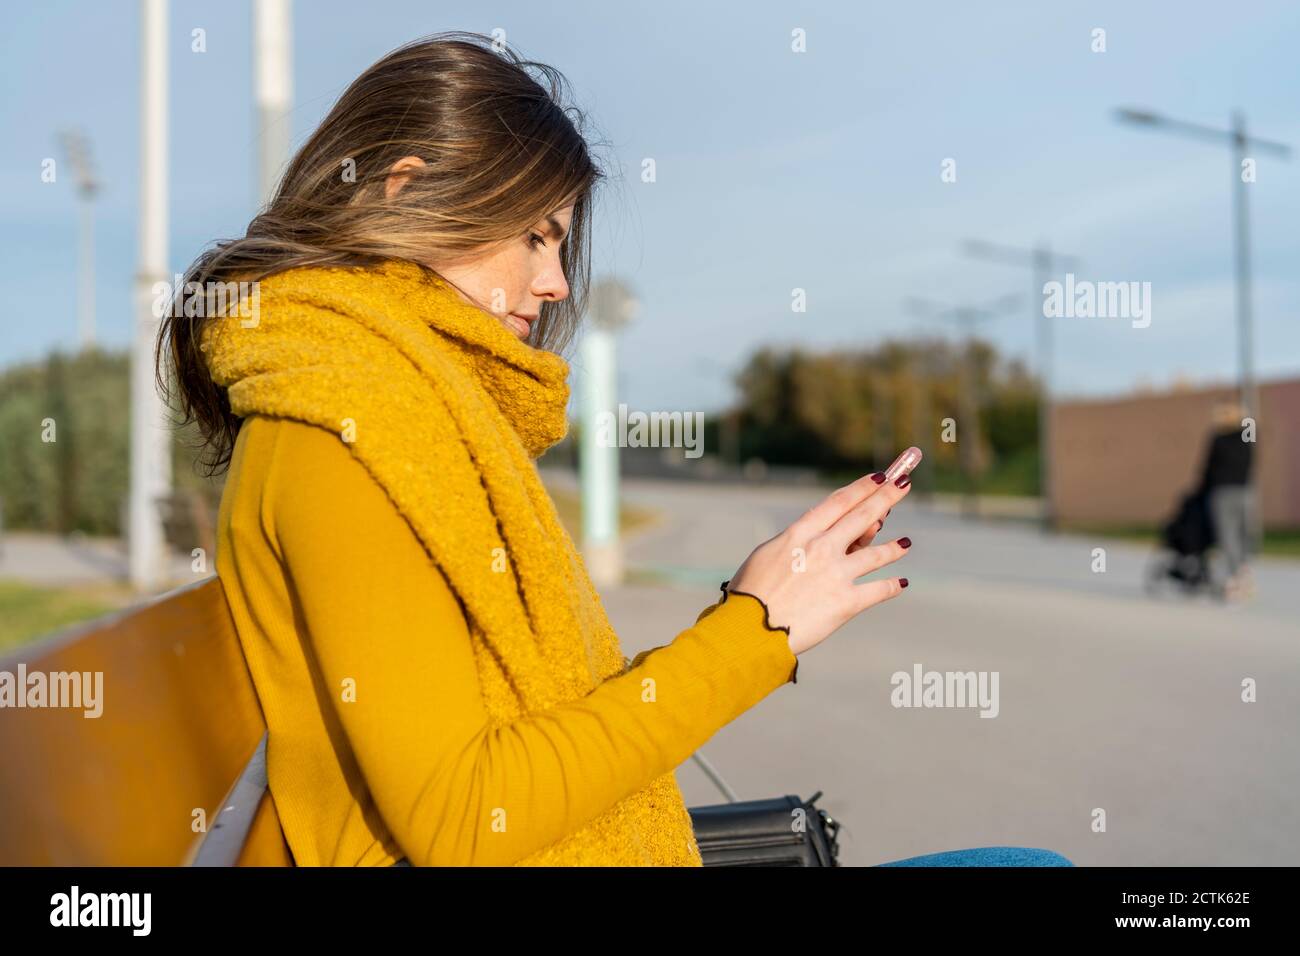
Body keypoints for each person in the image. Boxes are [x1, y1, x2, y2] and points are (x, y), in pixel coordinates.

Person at [158, 32, 1068, 868]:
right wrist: (754, 637)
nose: (553, 284)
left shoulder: (398, 413)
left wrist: (756, 610)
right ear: (405, 191)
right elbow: (463, 817)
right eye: (535, 235)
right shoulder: (339, 434)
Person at [1197, 400, 1256, 601]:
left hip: (1222, 492)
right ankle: (1243, 573)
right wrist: (1246, 416)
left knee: (1228, 536)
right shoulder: (1246, 438)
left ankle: (1235, 579)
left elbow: (1208, 468)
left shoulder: (1218, 438)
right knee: (1241, 535)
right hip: (1245, 491)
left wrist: (1201, 490)